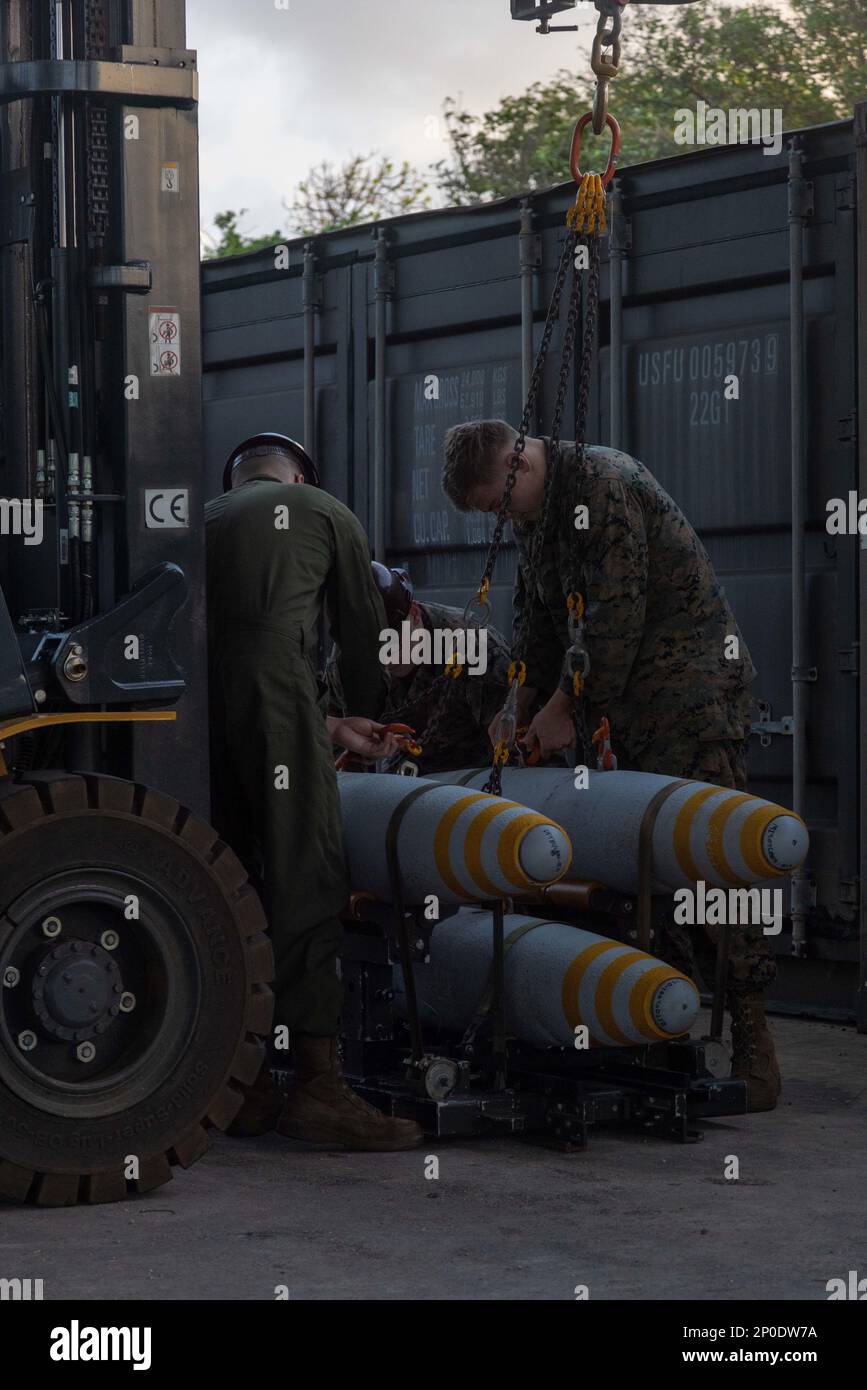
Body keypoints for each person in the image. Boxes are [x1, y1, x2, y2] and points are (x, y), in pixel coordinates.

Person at [441, 420, 779, 1112]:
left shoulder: (605, 486)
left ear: (516, 462)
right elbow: (537, 617)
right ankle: (667, 1030)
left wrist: (565, 709)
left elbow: (612, 625)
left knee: (712, 865)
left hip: (687, 699)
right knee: (648, 869)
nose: (502, 519)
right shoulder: (536, 513)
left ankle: (751, 1037)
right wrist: (518, 701)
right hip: (625, 707)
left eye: (497, 505)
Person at [206, 432, 422, 1149]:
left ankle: (239, 1085)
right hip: (277, 696)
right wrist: (370, 713)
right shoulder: (322, 510)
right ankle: (318, 1088)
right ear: (298, 473)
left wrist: (324, 725)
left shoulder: (198, 518)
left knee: (227, 879)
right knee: (307, 873)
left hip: (192, 711)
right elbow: (361, 635)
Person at [325, 562, 514, 775]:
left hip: (474, 785)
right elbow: (325, 742)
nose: (386, 655)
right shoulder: (346, 666)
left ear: (414, 614)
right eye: (372, 649)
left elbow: (517, 744)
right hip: (400, 785)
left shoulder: (475, 651)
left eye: (393, 640)